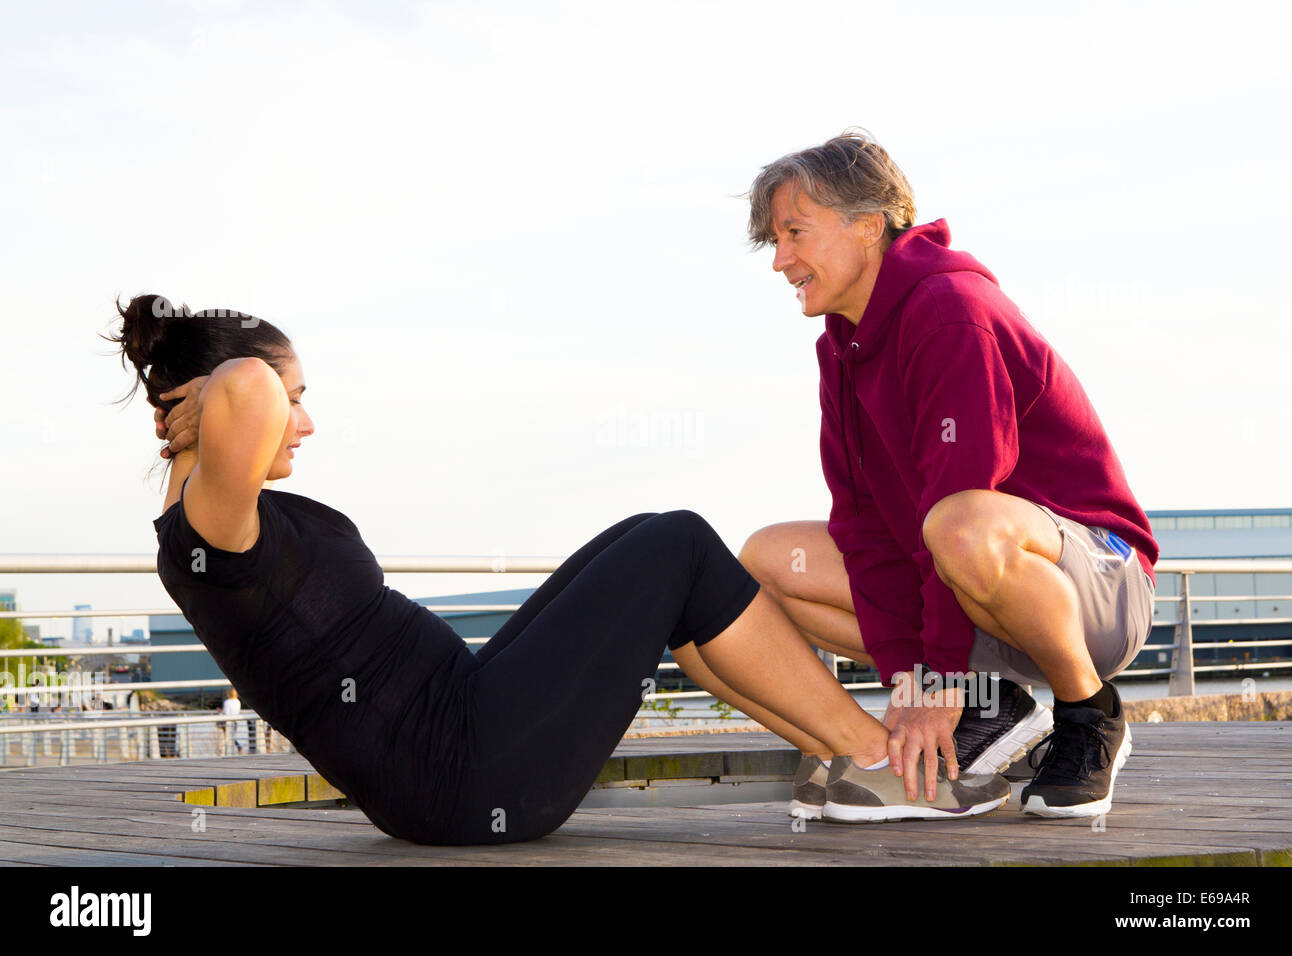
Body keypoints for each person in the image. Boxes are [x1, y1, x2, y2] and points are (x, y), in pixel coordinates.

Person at [105, 294, 1010, 844]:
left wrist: (205, 394)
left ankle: (842, 756)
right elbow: (250, 394)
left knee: (652, 540)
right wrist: (204, 397)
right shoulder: (208, 532)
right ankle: (881, 759)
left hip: (460, 740)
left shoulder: (234, 523)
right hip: (467, 772)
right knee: (680, 543)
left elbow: (248, 395)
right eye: (295, 400)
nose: (302, 423)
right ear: (213, 410)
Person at [726, 130, 1159, 820]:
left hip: (1098, 588)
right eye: (775, 242)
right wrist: (912, 685)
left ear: (867, 226)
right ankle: (994, 709)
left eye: (795, 233)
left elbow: (961, 504)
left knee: (959, 522)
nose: (781, 260)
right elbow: (866, 533)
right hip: (970, 582)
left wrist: (937, 678)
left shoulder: (949, 311)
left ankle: (1090, 713)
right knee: (767, 560)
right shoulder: (841, 350)